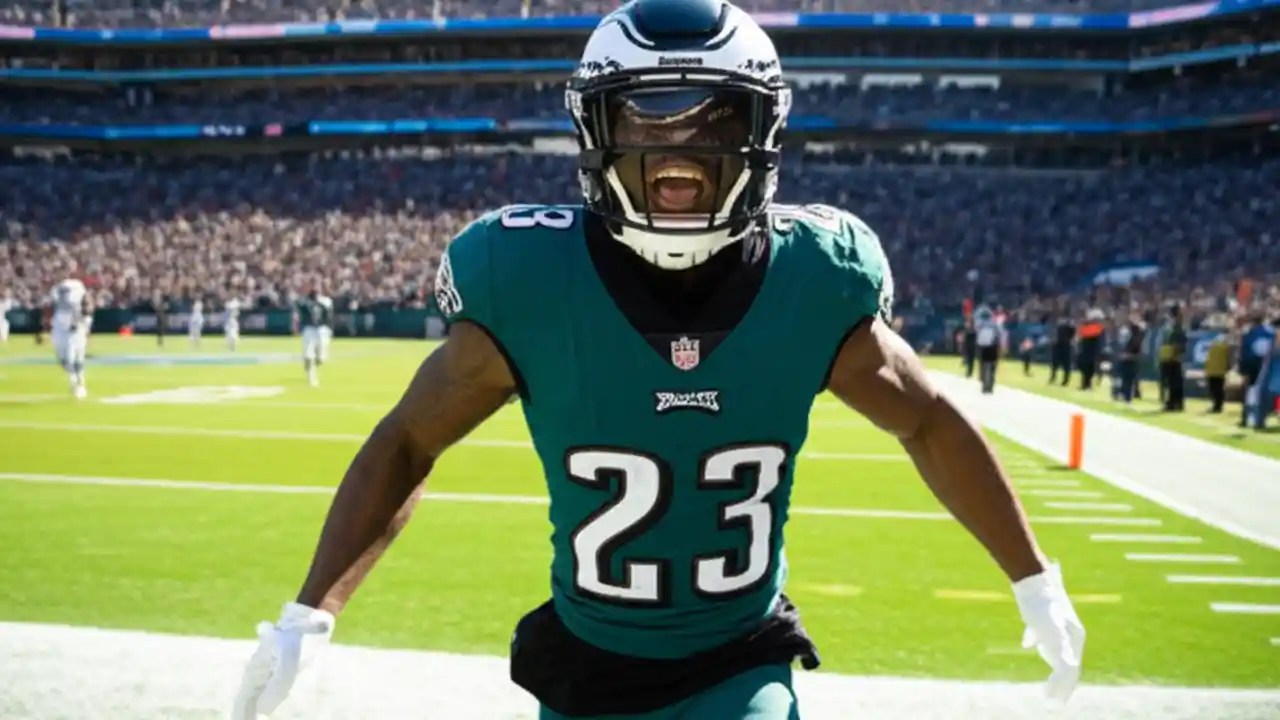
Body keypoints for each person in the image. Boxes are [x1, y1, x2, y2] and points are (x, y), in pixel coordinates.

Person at [231, 3, 1085, 719]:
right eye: (644, 119)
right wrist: (312, 612)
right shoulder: (528, 280)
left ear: (765, 131)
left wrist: (1033, 578)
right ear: (592, 130)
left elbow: (929, 420)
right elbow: (408, 443)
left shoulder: (814, 277)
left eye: (715, 120)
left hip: (740, 663)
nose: (679, 153)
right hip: (583, 672)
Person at [49, 278, 92, 399]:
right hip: (59, 327)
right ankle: (76, 379)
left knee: (74, 357)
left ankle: (79, 382)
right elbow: (51, 307)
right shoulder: (56, 289)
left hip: (75, 328)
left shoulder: (78, 286)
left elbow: (88, 303)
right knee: (63, 360)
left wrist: (81, 320)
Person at [297, 285, 333, 387]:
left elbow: (328, 317)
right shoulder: (305, 302)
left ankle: (313, 365)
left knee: (320, 359)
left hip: (322, 330)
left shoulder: (325, 302)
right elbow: (299, 304)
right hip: (309, 329)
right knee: (308, 356)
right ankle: (311, 377)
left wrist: (329, 329)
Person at [975, 305, 1005, 394]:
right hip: (992, 346)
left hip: (982, 347)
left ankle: (983, 382)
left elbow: (977, 334)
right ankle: (990, 385)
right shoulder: (995, 323)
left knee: (982, 364)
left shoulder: (979, 324)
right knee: (992, 366)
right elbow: (1000, 334)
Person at [1203, 332, 1231, 414]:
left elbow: (1208, 358)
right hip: (1219, 370)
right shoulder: (1224, 345)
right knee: (1218, 389)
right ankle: (1218, 405)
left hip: (1213, 370)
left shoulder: (1213, 345)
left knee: (1215, 389)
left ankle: (1217, 405)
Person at [1048, 312, 1074, 386]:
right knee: (1054, 363)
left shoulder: (1069, 323)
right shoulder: (1056, 322)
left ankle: (1065, 380)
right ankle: (1053, 377)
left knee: (1066, 364)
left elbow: (1072, 332)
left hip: (1065, 344)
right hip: (1057, 344)